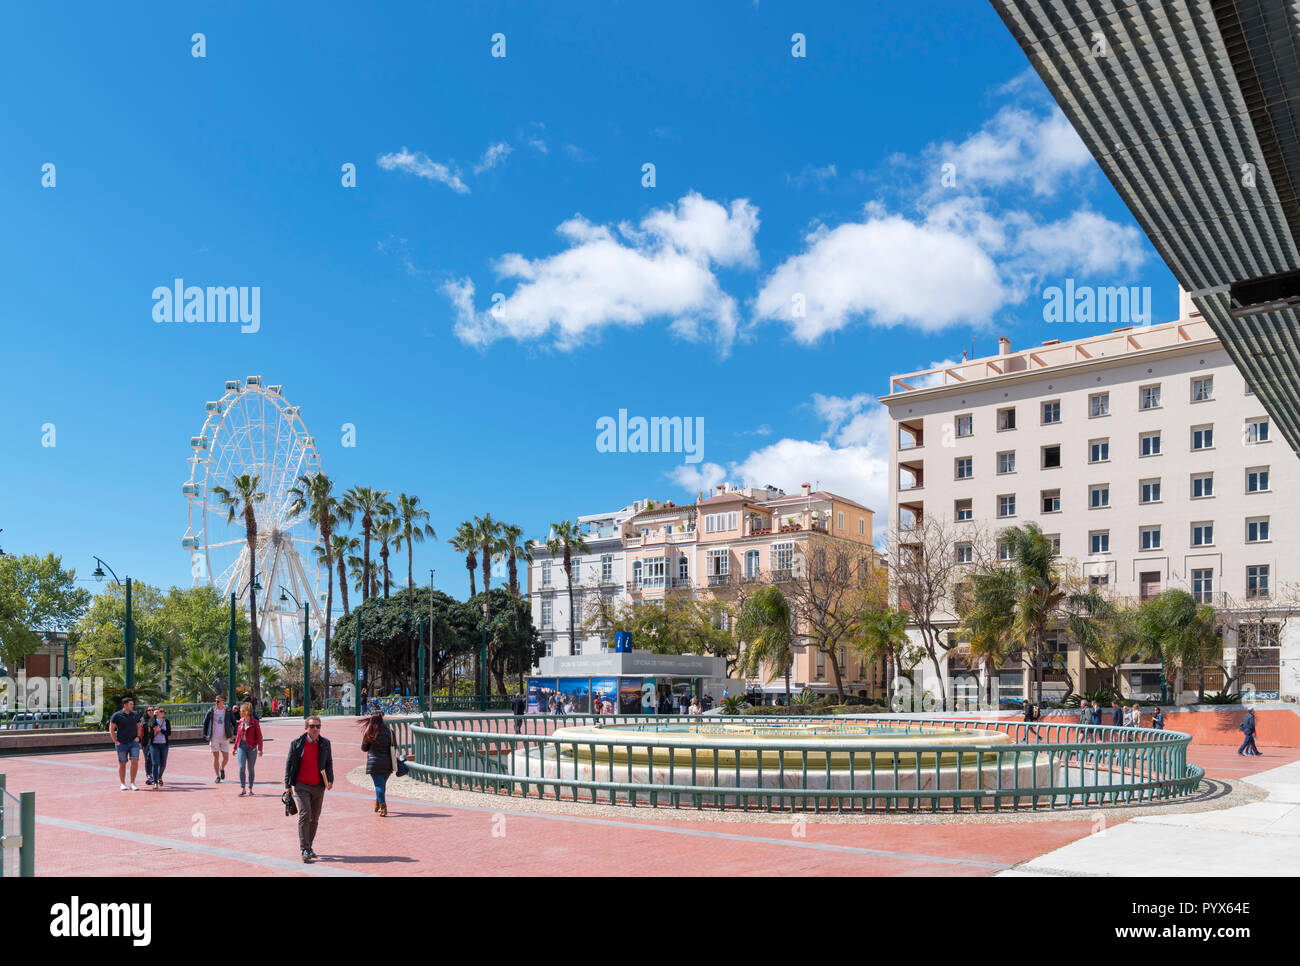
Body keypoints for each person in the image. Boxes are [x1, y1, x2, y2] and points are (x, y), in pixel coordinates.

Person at [284, 715, 334, 863]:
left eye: (318, 726)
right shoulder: (297, 744)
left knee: (315, 817)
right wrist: (287, 786)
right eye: (312, 726)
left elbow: (329, 762)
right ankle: (304, 848)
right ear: (306, 728)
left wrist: (330, 780)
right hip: (301, 785)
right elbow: (289, 764)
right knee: (305, 814)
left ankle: (309, 846)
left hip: (318, 786)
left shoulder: (325, 743)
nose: (315, 729)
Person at [360, 712, 394, 816]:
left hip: (374, 763)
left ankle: (383, 807)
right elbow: (394, 746)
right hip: (387, 763)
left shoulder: (369, 733)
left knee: (379, 785)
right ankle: (378, 803)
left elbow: (364, 749)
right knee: (381, 785)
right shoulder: (390, 732)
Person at [109, 697, 143, 791]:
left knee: (135, 761)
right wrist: (115, 741)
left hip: (133, 743)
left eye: (133, 704)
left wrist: (138, 737)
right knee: (122, 763)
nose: (133, 706)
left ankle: (132, 783)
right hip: (121, 743)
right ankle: (122, 783)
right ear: (125, 705)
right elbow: (111, 729)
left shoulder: (135, 714)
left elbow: (139, 727)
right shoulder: (117, 715)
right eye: (131, 704)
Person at [202, 695, 237, 782]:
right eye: (216, 701)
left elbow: (234, 723)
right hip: (214, 738)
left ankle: (222, 768)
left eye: (218, 701)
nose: (216, 703)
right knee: (216, 757)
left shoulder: (228, 711)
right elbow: (205, 723)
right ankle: (217, 776)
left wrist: (234, 734)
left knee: (226, 758)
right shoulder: (211, 711)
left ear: (223, 702)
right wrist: (205, 735)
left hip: (225, 737)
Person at [233, 701, 264, 795]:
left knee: (250, 768)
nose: (240, 712)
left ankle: (250, 788)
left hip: (252, 747)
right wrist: (235, 748)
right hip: (241, 746)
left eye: (241, 711)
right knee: (241, 767)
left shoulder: (255, 722)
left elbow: (259, 737)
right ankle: (243, 788)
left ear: (246, 712)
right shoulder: (241, 722)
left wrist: (260, 749)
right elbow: (238, 736)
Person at [144, 706, 172, 789]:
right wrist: (154, 726)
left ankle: (160, 777)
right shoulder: (152, 720)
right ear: (156, 712)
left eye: (163, 711)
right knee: (155, 763)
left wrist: (161, 730)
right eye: (160, 711)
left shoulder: (166, 721)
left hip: (164, 745)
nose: (162, 712)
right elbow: (150, 731)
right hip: (154, 745)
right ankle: (155, 782)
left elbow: (168, 733)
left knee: (163, 764)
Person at [142, 706, 156, 785]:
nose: (151, 711)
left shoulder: (155, 719)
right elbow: (144, 729)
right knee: (148, 759)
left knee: (155, 759)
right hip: (146, 743)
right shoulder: (143, 719)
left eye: (152, 710)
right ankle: (149, 776)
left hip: (155, 742)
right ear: (146, 711)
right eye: (149, 710)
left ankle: (154, 775)